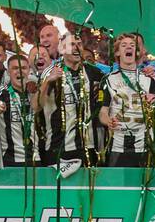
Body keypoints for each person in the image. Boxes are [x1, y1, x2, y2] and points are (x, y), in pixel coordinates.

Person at [38, 33, 106, 166]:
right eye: (71, 44)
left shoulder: (95, 73)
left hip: (90, 147)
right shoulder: (50, 73)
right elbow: (37, 106)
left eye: (79, 44)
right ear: (62, 49)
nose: (76, 48)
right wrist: (46, 82)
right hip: (59, 146)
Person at [99, 33, 155, 167]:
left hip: (143, 143)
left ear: (137, 52)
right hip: (117, 144)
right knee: (117, 185)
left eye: (132, 45)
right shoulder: (109, 80)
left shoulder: (149, 79)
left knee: (143, 185)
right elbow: (103, 111)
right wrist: (108, 121)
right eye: (124, 45)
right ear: (118, 52)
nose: (128, 48)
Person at [0, 53, 40, 167]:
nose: (20, 71)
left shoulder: (35, 92)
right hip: (10, 159)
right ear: (8, 72)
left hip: (36, 157)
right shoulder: (1, 93)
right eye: (15, 68)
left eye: (23, 68)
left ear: (29, 70)